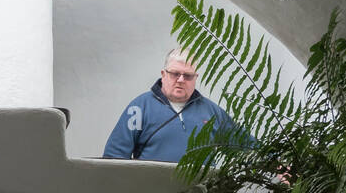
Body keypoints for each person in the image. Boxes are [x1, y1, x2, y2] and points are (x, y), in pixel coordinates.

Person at [102, 48, 244, 161]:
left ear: (196, 78)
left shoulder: (212, 111)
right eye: (175, 74)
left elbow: (245, 146)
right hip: (149, 192)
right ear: (164, 74)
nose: (181, 80)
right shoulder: (139, 108)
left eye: (188, 75)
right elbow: (114, 156)